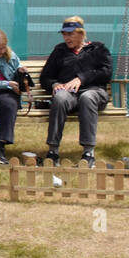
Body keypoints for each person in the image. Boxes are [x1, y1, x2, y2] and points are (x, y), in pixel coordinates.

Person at [40, 15, 111, 168]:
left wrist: (82, 78)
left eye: (70, 34)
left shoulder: (97, 49)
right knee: (59, 98)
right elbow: (45, 76)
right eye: (64, 34)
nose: (67, 38)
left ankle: (88, 152)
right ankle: (53, 151)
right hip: (69, 95)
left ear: (81, 33)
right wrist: (54, 84)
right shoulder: (59, 51)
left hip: (94, 91)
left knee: (87, 97)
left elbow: (106, 73)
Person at [0, 28, 23, 165]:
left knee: (9, 104)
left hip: (6, 92)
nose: (2, 51)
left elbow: (19, 68)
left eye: (4, 48)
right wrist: (6, 84)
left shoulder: (10, 56)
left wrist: (21, 73)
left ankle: (0, 146)